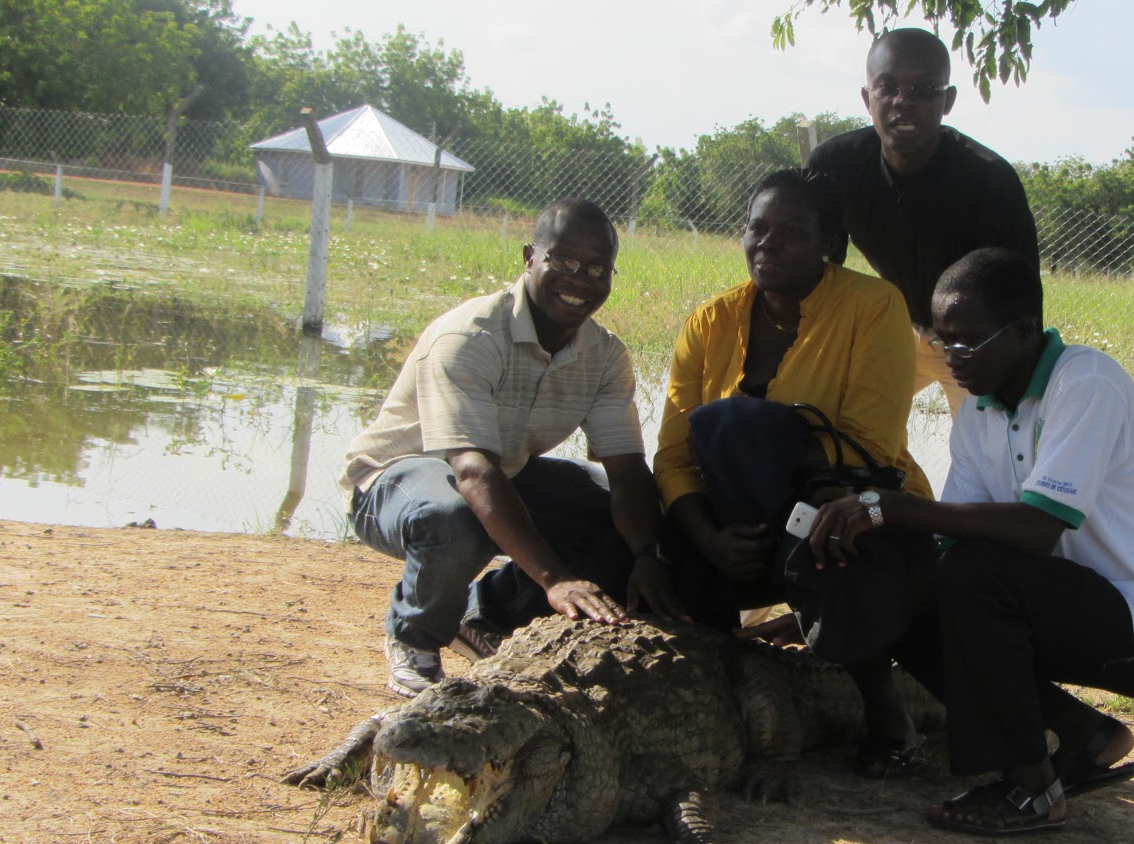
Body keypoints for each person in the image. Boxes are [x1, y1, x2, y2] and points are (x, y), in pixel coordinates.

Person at [807, 247, 1134, 833]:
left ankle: (1033, 790)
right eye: (942, 341)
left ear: (1023, 331)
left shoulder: (1086, 384)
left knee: (976, 574)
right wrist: (851, 593)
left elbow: (1037, 529)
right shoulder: (978, 412)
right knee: (908, 599)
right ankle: (1086, 735)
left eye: (968, 343)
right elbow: (947, 540)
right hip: (1058, 603)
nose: (951, 359)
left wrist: (890, 505)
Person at [654, 168, 938, 775]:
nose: (768, 244)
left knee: (740, 431)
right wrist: (709, 536)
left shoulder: (874, 306)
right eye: (757, 228)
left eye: (791, 233)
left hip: (856, 509)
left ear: (829, 244)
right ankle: (714, 705)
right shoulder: (710, 322)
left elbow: (869, 450)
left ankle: (887, 712)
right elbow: (673, 458)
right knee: (663, 547)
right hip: (738, 529)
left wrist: (761, 458)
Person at [338, 199, 678, 698]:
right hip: (395, 480)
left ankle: (484, 615)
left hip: (505, 473)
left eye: (597, 269)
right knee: (456, 517)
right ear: (529, 257)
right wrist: (556, 578)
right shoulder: (469, 335)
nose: (580, 280)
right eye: (564, 261)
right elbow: (473, 471)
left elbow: (627, 472)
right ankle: (416, 636)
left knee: (618, 511)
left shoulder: (605, 356)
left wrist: (648, 554)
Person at [808, 26, 1039, 418]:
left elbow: (1023, 297)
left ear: (947, 100)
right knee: (836, 419)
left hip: (971, 345)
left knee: (989, 445)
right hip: (894, 328)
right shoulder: (836, 166)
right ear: (867, 99)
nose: (904, 101)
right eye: (887, 87)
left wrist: (1016, 390)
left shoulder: (990, 181)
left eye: (925, 89)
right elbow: (818, 268)